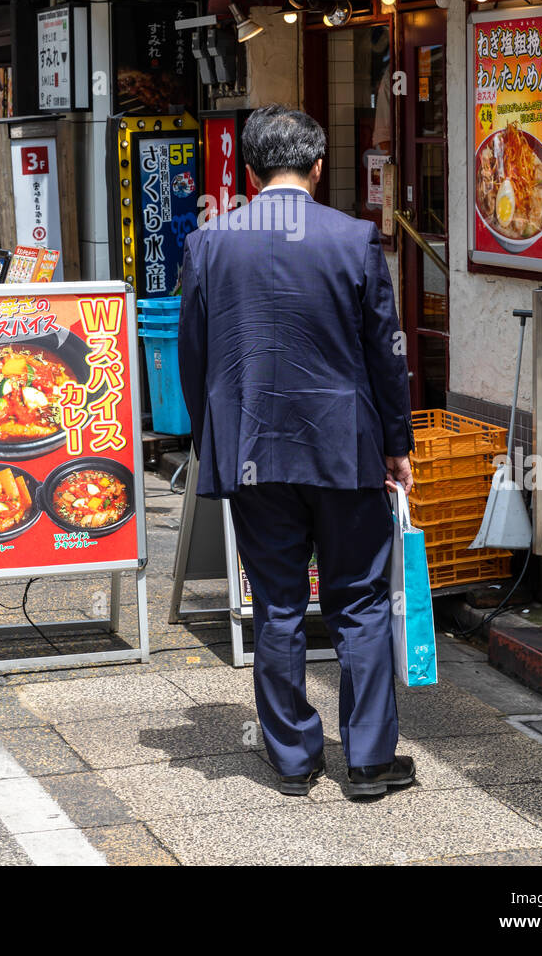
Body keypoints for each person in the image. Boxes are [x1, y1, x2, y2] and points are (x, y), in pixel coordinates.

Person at [178, 104, 416, 799]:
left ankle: (292, 758)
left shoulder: (210, 245)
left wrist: (207, 439)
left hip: (252, 447)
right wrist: (396, 445)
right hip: (346, 449)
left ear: (250, 173)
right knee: (361, 601)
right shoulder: (354, 240)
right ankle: (369, 760)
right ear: (318, 166)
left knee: (277, 604)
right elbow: (386, 352)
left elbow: (194, 358)